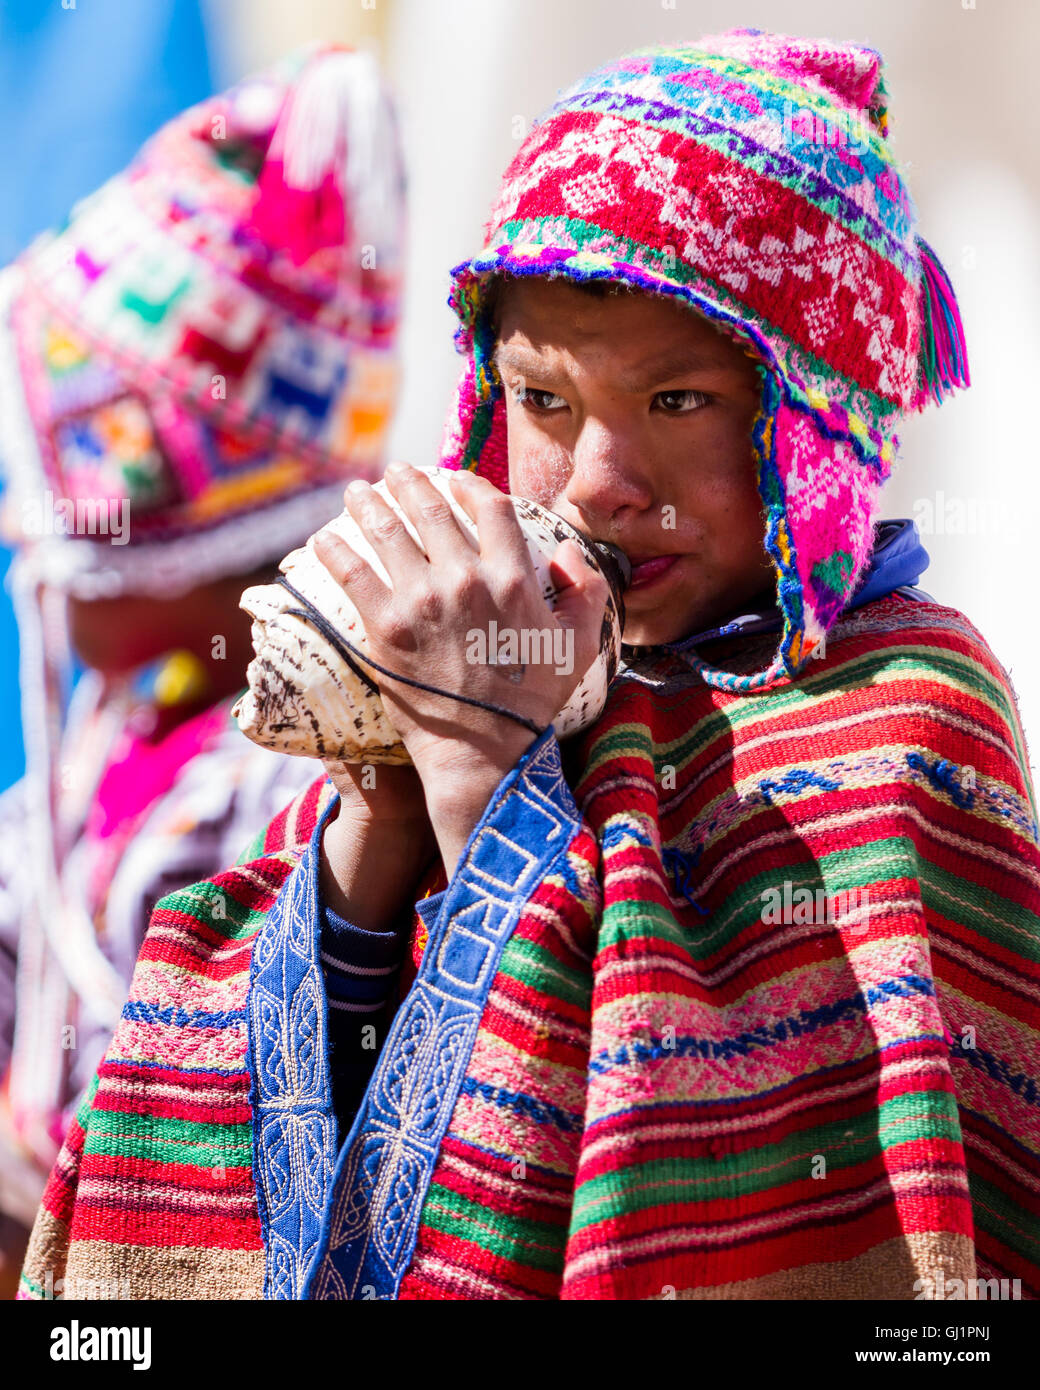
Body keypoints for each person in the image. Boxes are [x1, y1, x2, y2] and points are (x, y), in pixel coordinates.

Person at [20, 28, 1040, 1302]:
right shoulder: (518, 655)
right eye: (545, 405)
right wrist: (378, 821)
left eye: (676, 404)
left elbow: (736, 1172)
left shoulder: (907, 720)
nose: (602, 486)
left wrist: (477, 769)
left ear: (811, 422)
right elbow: (266, 1112)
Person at [0, 43, 404, 1293]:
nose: (21, 528)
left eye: (43, 482)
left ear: (162, 512)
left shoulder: (269, 788)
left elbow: (175, 1189)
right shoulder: (130, 726)